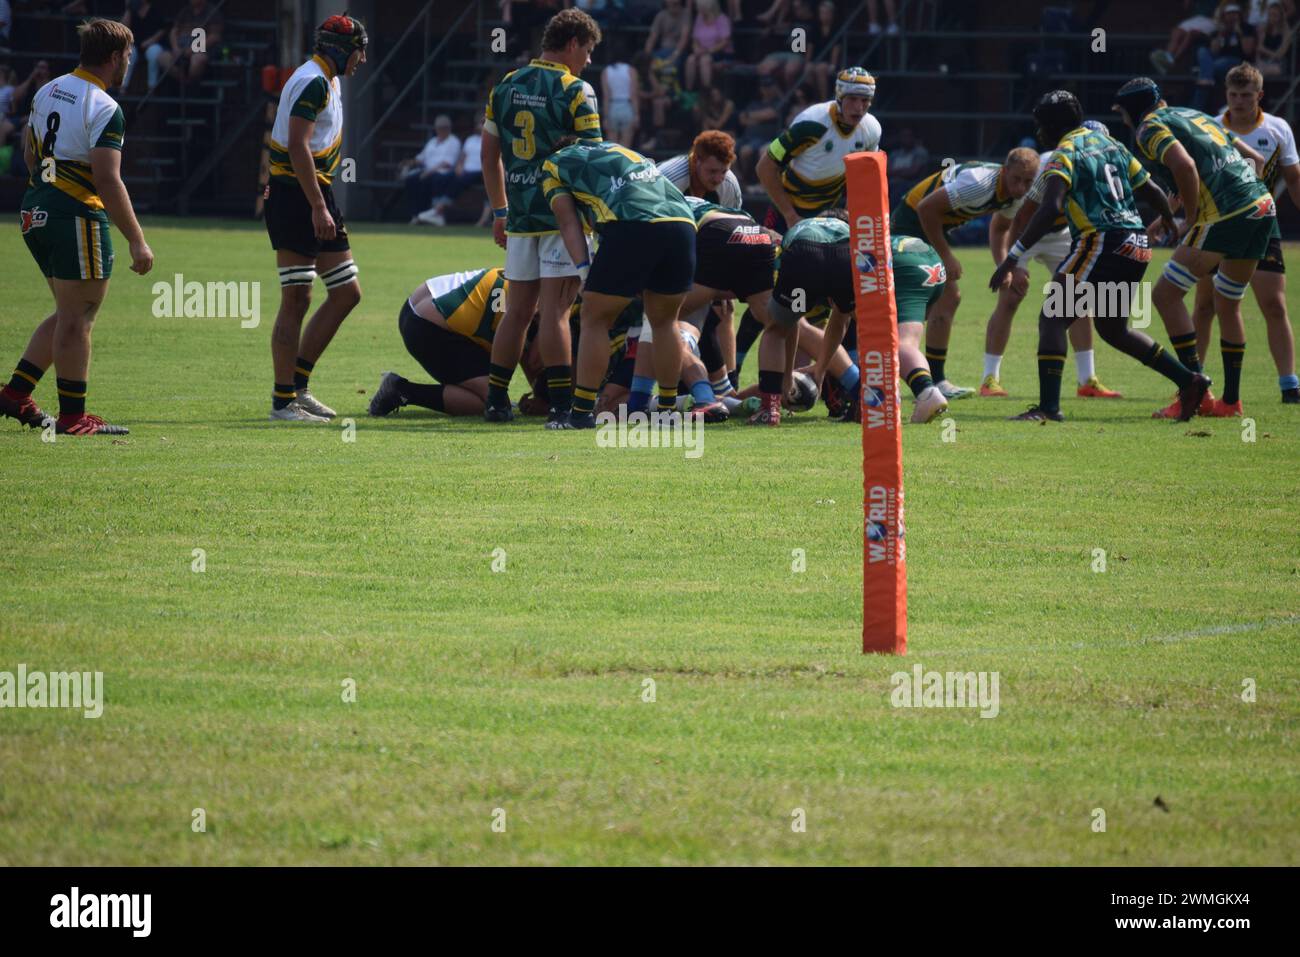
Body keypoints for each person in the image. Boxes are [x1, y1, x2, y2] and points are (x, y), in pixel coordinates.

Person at [990, 90, 1210, 423]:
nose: (1039, 133)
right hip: (1135, 243)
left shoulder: (1066, 151)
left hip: (1102, 241)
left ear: (1051, 126)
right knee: (1113, 329)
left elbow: (1050, 207)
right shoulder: (1114, 145)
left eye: (1041, 126)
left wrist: (1012, 257)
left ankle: (1048, 407)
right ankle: (1190, 380)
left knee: (1053, 317)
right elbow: (1150, 189)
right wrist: (1167, 217)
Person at [1, 18, 153, 436]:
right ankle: (72, 417)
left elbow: (31, 156)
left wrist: (46, 194)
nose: (129, 62)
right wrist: (137, 240)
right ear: (113, 57)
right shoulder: (106, 108)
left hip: (35, 210)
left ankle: (15, 393)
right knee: (79, 316)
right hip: (75, 215)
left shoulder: (47, 90)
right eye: (128, 55)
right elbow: (107, 179)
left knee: (68, 311)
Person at [1116, 76, 1274, 418]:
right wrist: (1171, 217)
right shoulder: (1194, 114)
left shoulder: (1148, 128)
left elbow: (1185, 166)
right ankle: (1230, 402)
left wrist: (1192, 218)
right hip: (1261, 205)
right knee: (1228, 302)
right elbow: (1255, 160)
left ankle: (1194, 389)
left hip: (1225, 215)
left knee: (1164, 295)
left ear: (1129, 111)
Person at [481, 7, 604, 426]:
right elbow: (593, 160)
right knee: (554, 312)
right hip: (560, 217)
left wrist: (500, 209)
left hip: (519, 218)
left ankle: (496, 401)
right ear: (572, 44)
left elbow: (488, 154)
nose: (588, 60)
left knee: (517, 312)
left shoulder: (506, 85)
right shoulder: (576, 90)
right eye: (586, 51)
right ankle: (561, 406)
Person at [541, 138, 697, 428]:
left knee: (595, 318)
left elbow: (568, 222)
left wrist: (585, 271)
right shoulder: (621, 149)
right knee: (665, 323)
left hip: (631, 223)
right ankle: (665, 409)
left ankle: (581, 413)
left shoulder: (553, 165)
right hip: (682, 223)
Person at [262, 14, 367, 423]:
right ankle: (282, 401)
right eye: (359, 51)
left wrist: (322, 202)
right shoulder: (313, 81)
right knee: (297, 296)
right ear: (342, 50)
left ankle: (297, 386)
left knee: (346, 293)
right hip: (295, 195)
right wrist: (317, 207)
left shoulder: (327, 79)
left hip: (314, 191)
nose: (362, 59)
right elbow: (297, 147)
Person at [978, 122, 1123, 401]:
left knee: (1075, 299)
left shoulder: (1105, 169)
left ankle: (1087, 380)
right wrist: (1011, 265)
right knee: (1010, 298)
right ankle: (989, 378)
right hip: (1024, 232)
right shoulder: (1046, 165)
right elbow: (1001, 224)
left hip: (1061, 233)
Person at [891, 148, 1039, 400]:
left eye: (1028, 181)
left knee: (943, 300)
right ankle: (931, 379)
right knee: (947, 296)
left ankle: (926, 376)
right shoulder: (979, 183)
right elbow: (926, 209)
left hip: (932, 226)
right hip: (910, 224)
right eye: (1016, 179)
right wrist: (947, 257)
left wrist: (1004, 266)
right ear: (1004, 170)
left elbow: (1000, 227)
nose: (1021, 187)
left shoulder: (1016, 195)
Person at [1203, 62, 1299, 403]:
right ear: (1225, 94)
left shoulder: (1276, 129)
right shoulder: (1211, 128)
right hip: (1216, 225)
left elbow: (1294, 179)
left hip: (1261, 225)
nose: (1239, 101)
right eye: (1233, 94)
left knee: (1273, 305)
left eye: (1246, 95)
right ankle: (1195, 383)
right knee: (1205, 306)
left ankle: (1290, 384)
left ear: (1259, 95)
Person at [816, 233, 950, 424]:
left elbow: (839, 321)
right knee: (906, 340)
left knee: (895, 342)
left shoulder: (842, 255)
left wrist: (820, 368)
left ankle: (926, 392)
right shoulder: (862, 242)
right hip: (932, 262)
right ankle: (922, 393)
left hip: (904, 266)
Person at [368, 268, 526, 418]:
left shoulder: (527, 278)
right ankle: (402, 391)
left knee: (496, 395)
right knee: (493, 402)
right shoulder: (538, 298)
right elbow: (532, 358)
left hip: (420, 303)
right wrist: (544, 398)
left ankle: (403, 390)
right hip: (431, 326)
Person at [756, 66, 882, 230]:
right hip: (786, 213)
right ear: (839, 97)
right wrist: (790, 216)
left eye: (865, 100)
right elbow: (764, 167)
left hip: (828, 216)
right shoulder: (811, 124)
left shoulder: (871, 129)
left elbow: (862, 179)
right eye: (852, 98)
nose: (859, 107)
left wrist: (847, 215)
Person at [656, 129, 744, 207]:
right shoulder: (666, 181)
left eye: (724, 171)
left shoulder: (729, 185)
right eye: (712, 171)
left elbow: (731, 224)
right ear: (695, 160)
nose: (718, 179)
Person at [1193, 3, 1255, 111]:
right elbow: (1214, 51)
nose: (1232, 17)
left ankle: (1205, 78)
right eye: (1229, 14)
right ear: (1224, 16)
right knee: (1202, 50)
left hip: (1237, 60)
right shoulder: (1220, 31)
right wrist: (1220, 34)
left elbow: (1247, 51)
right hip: (1218, 60)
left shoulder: (1246, 28)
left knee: (1211, 68)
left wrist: (1239, 33)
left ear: (1239, 15)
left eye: (1235, 14)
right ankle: (1206, 78)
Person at [400, 115, 460, 225]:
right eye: (438, 128)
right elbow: (421, 158)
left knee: (431, 180)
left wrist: (429, 172)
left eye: (443, 128)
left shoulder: (453, 142)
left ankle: (435, 214)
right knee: (411, 180)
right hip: (427, 171)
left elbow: (447, 163)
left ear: (448, 128)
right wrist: (409, 162)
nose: (440, 130)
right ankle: (416, 214)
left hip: (443, 173)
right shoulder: (432, 141)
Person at [156, 0, 223, 87]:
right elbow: (174, 31)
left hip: (202, 50)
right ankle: (184, 81)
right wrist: (175, 48)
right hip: (180, 49)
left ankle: (190, 85)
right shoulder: (185, 11)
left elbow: (215, 36)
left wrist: (193, 49)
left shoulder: (212, 12)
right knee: (162, 57)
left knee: (197, 60)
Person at [735, 75, 783, 180]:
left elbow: (771, 114)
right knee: (729, 149)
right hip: (747, 138)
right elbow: (743, 120)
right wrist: (760, 117)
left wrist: (751, 116)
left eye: (769, 87)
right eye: (764, 87)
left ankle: (747, 179)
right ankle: (739, 179)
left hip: (765, 138)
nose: (767, 90)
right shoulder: (754, 104)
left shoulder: (778, 103)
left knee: (745, 151)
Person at [1151, 0, 1219, 74]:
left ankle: (1173, 60)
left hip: (1211, 21)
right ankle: (1168, 56)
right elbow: (1186, 7)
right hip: (1196, 19)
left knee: (1191, 33)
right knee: (1176, 31)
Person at [120, 0, 169, 92]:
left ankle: (151, 88)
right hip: (135, 44)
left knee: (153, 54)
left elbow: (163, 29)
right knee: (128, 53)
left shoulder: (155, 10)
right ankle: (123, 88)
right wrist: (128, 9)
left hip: (153, 44)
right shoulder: (132, 11)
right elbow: (123, 28)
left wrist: (151, 41)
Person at [685, 0, 733, 91]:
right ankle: (689, 91)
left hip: (719, 52)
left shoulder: (722, 19)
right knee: (690, 60)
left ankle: (706, 93)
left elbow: (725, 42)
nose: (698, 9)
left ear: (709, 8)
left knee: (704, 60)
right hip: (702, 51)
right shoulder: (699, 18)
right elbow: (695, 39)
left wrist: (708, 51)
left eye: (700, 8)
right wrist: (696, 48)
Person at [601, 39, 638, 148]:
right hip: (627, 106)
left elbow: (606, 96)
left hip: (613, 107)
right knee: (626, 148)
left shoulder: (606, 71)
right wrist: (636, 114)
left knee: (613, 148)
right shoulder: (631, 70)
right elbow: (633, 94)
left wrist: (606, 117)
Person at [1254, 0, 1294, 76]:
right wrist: (1259, 61)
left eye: (1275, 15)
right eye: (1270, 15)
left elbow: (1280, 55)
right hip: (1265, 62)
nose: (1272, 18)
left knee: (1254, 72)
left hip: (1281, 64)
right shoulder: (1264, 29)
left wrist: (1264, 50)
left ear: (1281, 16)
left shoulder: (1287, 32)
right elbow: (1258, 51)